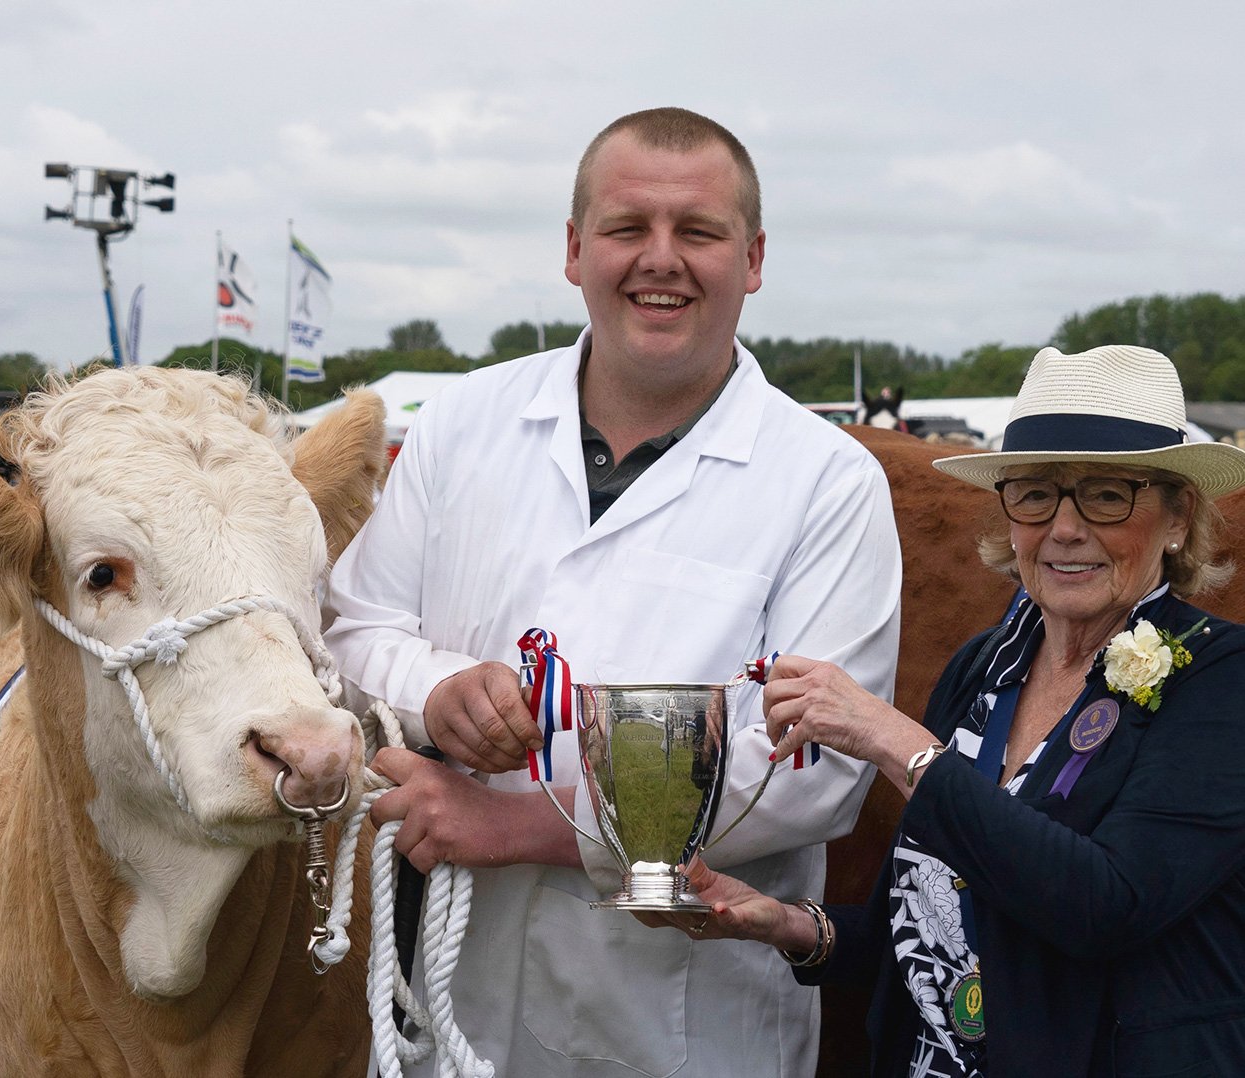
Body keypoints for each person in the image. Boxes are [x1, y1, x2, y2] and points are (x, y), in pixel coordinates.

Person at [323, 107, 903, 1077]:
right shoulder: (462, 424)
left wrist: (518, 824)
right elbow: (351, 630)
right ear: (573, 249)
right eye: (627, 227)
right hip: (450, 1003)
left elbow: (814, 772)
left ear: (753, 259)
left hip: (681, 1028)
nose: (659, 259)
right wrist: (434, 691)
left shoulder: (825, 482)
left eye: (698, 231)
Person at [653, 344, 1245, 1077]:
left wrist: (892, 738)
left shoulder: (1220, 678)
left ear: (1177, 516)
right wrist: (788, 925)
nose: (1063, 528)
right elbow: (925, 922)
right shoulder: (985, 665)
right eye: (1035, 494)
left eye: (1105, 495)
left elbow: (1103, 906)